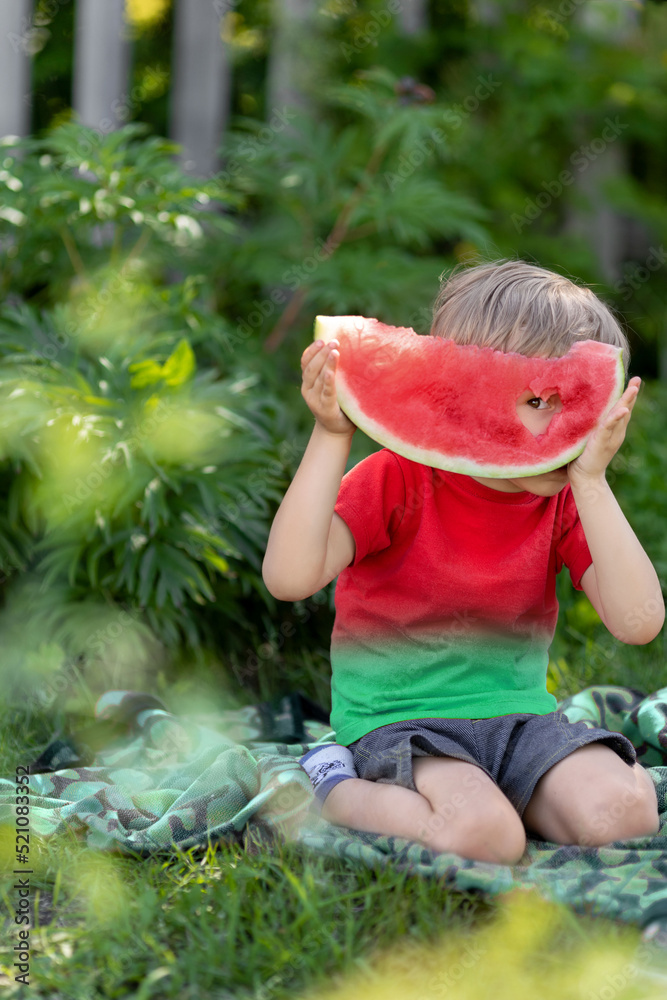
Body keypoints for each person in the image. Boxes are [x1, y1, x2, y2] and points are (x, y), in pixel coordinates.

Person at [261, 259, 663, 866]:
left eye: (576, 400)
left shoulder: (561, 502)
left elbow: (639, 623)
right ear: (459, 393)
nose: (564, 425)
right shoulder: (397, 479)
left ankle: (510, 792)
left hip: (523, 722)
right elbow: (290, 578)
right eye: (538, 399)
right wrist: (331, 436)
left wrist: (593, 483)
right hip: (403, 724)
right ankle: (336, 786)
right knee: (485, 839)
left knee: (628, 815)